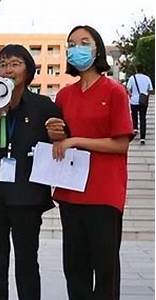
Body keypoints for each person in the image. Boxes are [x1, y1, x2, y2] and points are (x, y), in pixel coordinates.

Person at [45, 25, 133, 300]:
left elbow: (120, 143)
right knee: (75, 268)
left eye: (85, 42)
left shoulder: (115, 92)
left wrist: (75, 141)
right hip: (71, 191)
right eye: (72, 43)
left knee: (105, 269)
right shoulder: (64, 95)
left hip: (104, 193)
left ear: (97, 49)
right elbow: (60, 137)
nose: (77, 47)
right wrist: (54, 131)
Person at [0, 44, 62, 300]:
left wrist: (59, 135)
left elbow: (60, 139)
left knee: (27, 262)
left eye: (15, 63)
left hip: (27, 198)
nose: (7, 69)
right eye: (2, 64)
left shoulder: (43, 105)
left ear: (27, 70)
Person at [126, 71, 153, 144]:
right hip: (143, 101)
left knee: (134, 115)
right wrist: (146, 95)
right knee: (143, 118)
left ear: (136, 70)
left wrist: (131, 95)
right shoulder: (147, 78)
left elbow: (128, 88)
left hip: (134, 101)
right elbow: (150, 89)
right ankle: (142, 138)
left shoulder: (132, 78)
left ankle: (135, 128)